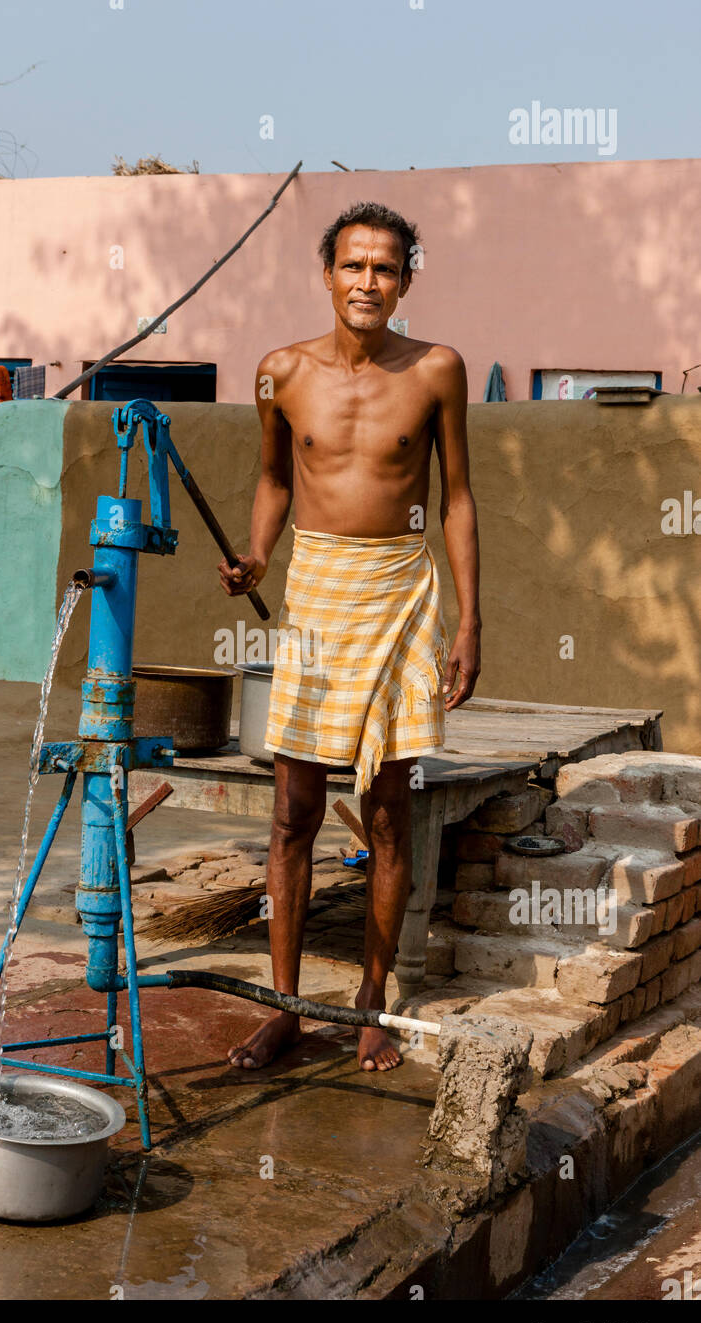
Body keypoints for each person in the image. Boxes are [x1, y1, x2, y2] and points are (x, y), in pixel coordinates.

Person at [218, 201, 481, 1071]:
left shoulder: (439, 369)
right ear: (326, 274)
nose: (369, 282)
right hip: (317, 593)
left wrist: (469, 620)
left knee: (389, 810)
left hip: (403, 593)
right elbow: (272, 482)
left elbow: (456, 500)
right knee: (294, 810)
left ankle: (372, 998)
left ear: (407, 279)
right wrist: (257, 554)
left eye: (386, 268)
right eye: (354, 266)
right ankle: (288, 1007)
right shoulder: (279, 373)